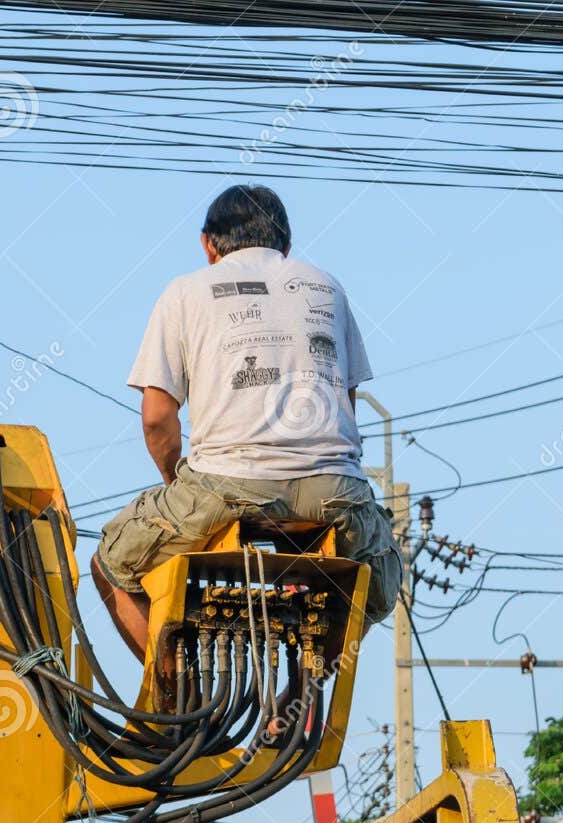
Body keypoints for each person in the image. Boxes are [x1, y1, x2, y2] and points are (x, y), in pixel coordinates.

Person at [91, 184, 401, 658]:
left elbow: (156, 418)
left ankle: (170, 687)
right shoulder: (327, 287)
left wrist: (176, 484)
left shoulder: (185, 291)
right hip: (335, 490)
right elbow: (347, 403)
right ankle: (300, 695)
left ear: (208, 245)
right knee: (374, 588)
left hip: (226, 485)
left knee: (111, 563)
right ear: (286, 245)